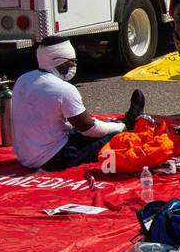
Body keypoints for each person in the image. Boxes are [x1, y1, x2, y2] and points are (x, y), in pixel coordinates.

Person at [11, 38, 146, 171]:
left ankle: (122, 123)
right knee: (113, 137)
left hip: (24, 156)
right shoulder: (63, 89)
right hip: (52, 158)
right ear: (60, 61)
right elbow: (90, 129)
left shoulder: (23, 79)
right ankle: (128, 124)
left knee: (92, 128)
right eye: (71, 62)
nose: (73, 67)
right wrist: (119, 126)